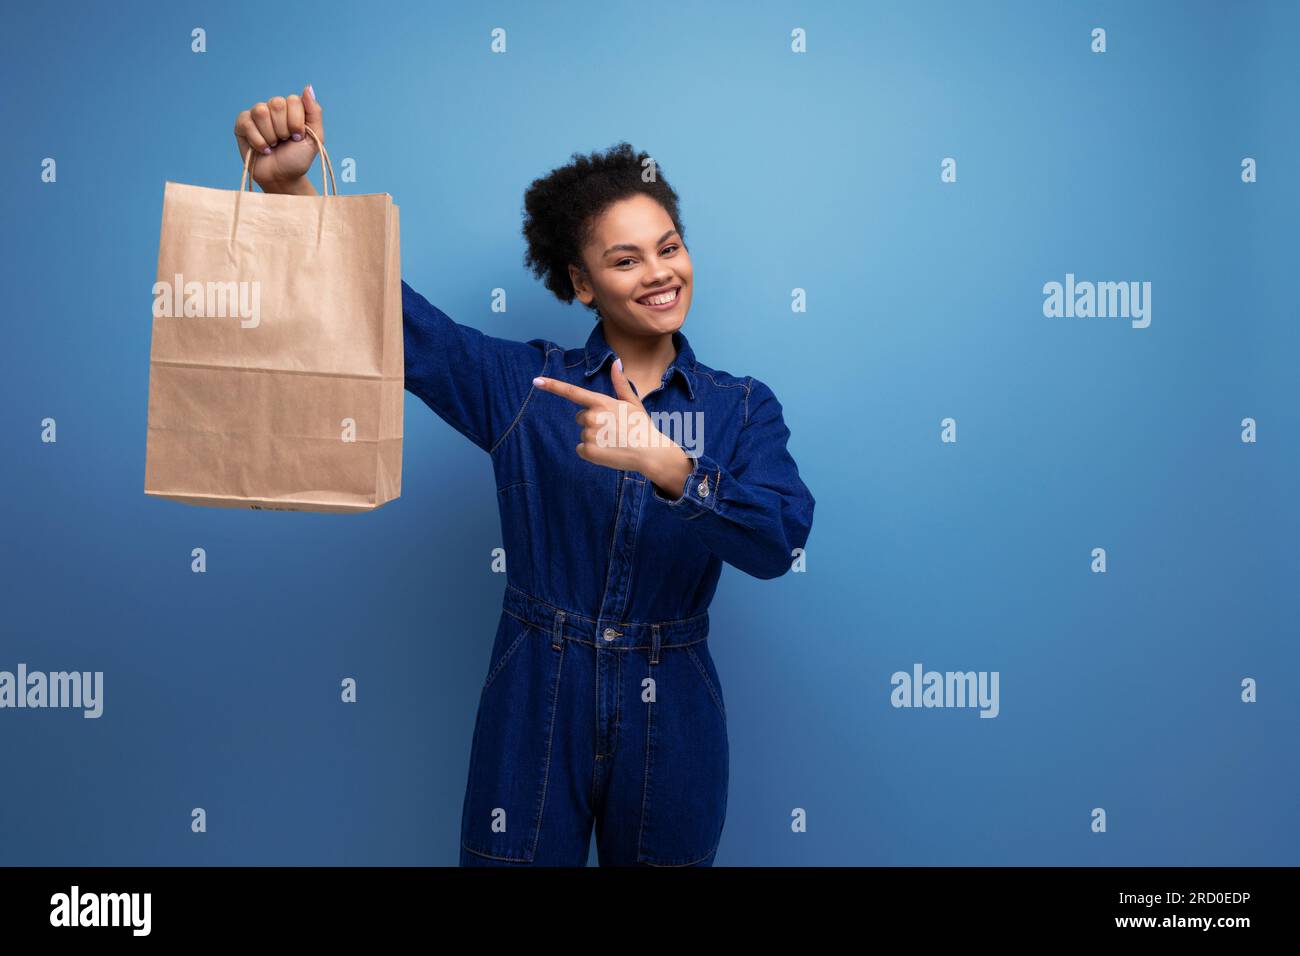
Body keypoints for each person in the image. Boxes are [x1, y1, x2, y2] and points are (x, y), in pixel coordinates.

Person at [234, 85, 816, 866]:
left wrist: (664, 461)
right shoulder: (524, 387)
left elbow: (778, 539)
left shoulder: (743, 408)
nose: (659, 273)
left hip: (672, 698)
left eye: (669, 246)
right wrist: (292, 192)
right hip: (537, 686)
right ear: (582, 284)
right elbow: (404, 328)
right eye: (625, 258)